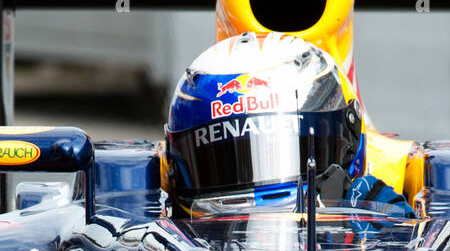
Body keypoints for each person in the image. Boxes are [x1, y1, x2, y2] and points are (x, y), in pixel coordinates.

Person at [162, 32, 414, 218]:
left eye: (302, 147)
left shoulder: (380, 209)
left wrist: (399, 236)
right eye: (222, 161)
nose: (263, 205)